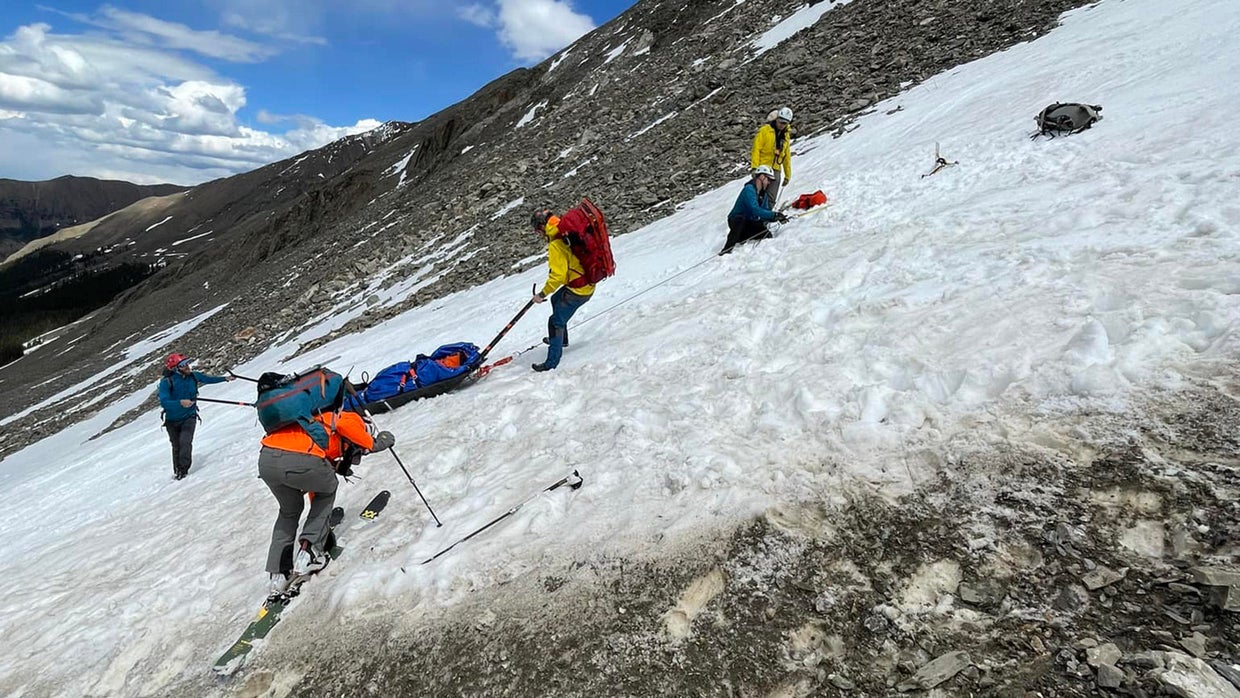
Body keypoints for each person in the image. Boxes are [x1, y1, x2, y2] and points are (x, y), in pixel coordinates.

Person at [258, 407, 394, 596]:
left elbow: (316, 485)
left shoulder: (316, 422)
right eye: (359, 451)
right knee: (329, 488)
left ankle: (278, 574)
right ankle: (310, 551)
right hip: (300, 457)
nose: (358, 455)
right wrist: (371, 444)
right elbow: (345, 424)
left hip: (267, 460)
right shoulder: (353, 418)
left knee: (289, 511)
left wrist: (320, 519)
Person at [528, 206, 595, 372]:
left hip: (579, 290)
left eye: (538, 230)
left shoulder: (556, 242)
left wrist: (541, 294)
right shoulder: (562, 229)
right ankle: (562, 340)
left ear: (543, 226)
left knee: (555, 321)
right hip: (585, 282)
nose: (538, 234)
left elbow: (558, 275)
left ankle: (551, 363)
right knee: (556, 299)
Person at [157, 353, 234, 480]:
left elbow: (208, 379)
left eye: (187, 363)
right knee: (176, 446)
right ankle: (178, 472)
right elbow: (164, 401)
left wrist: (225, 379)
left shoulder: (193, 376)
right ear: (175, 368)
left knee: (185, 442)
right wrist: (180, 402)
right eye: (182, 365)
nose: (187, 366)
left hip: (189, 416)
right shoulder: (167, 382)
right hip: (172, 421)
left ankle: (183, 471)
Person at [721, 165, 788, 254]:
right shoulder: (749, 189)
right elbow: (755, 209)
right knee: (739, 220)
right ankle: (727, 249)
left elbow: (765, 211)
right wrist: (774, 215)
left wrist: (776, 218)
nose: (769, 183)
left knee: (765, 233)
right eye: (768, 179)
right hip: (736, 221)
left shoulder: (764, 195)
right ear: (762, 176)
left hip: (749, 222)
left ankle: (741, 237)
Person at [750, 106, 794, 206]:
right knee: (758, 193)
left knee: (771, 197)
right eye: (781, 122)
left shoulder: (786, 135)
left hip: (776, 169)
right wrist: (754, 167)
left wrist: (787, 175)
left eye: (785, 123)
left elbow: (786, 156)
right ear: (777, 119)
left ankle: (767, 216)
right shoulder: (765, 131)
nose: (782, 125)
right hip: (763, 168)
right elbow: (756, 149)